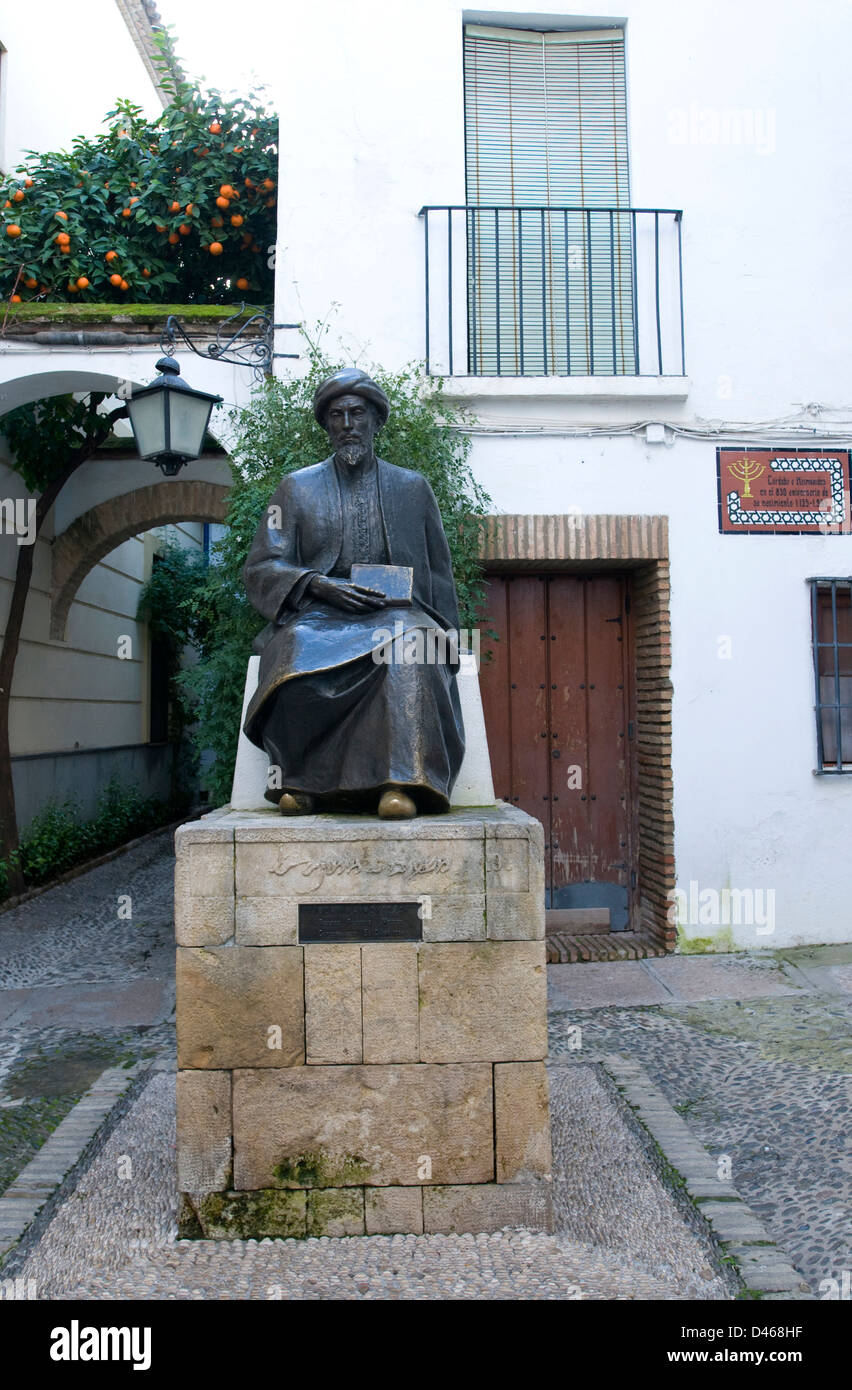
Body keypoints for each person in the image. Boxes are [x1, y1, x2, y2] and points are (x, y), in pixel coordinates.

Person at [242, 367, 465, 819]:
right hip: (319, 611)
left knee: (410, 648)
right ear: (326, 426)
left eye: (357, 414)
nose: (347, 425)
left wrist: (450, 636)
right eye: (337, 416)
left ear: (375, 422)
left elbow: (439, 573)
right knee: (295, 650)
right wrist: (319, 584)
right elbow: (262, 565)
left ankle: (400, 782)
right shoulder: (295, 488)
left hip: (397, 610)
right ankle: (301, 783)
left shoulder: (412, 489)